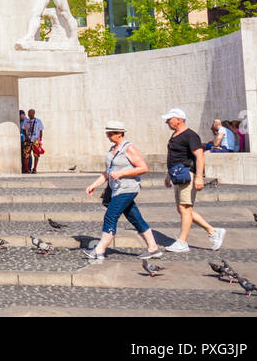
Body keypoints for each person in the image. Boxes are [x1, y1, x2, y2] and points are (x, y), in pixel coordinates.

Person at [83, 120, 163, 261]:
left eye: (111, 133)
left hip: (127, 189)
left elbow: (143, 168)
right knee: (135, 218)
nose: (108, 136)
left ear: (120, 134)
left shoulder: (129, 148)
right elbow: (107, 172)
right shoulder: (113, 149)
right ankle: (153, 248)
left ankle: (99, 250)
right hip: (117, 189)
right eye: (107, 133)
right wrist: (94, 185)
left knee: (110, 216)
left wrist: (121, 174)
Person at [162, 108, 225, 252]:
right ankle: (214, 232)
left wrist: (198, 177)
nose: (166, 121)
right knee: (183, 209)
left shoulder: (190, 135)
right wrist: (168, 175)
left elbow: (199, 156)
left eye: (169, 118)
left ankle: (182, 242)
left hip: (187, 175)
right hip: (177, 175)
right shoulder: (175, 135)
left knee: (185, 208)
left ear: (179, 119)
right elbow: (173, 157)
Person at [22, 109, 44, 174]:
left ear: (33, 113)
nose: (29, 114)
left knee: (36, 155)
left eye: (30, 113)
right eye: (28, 113)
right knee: (26, 155)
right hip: (28, 140)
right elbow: (23, 129)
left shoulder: (38, 121)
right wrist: (26, 136)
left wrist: (40, 140)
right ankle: (26, 169)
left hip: (35, 140)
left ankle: (34, 168)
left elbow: (41, 130)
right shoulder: (26, 121)